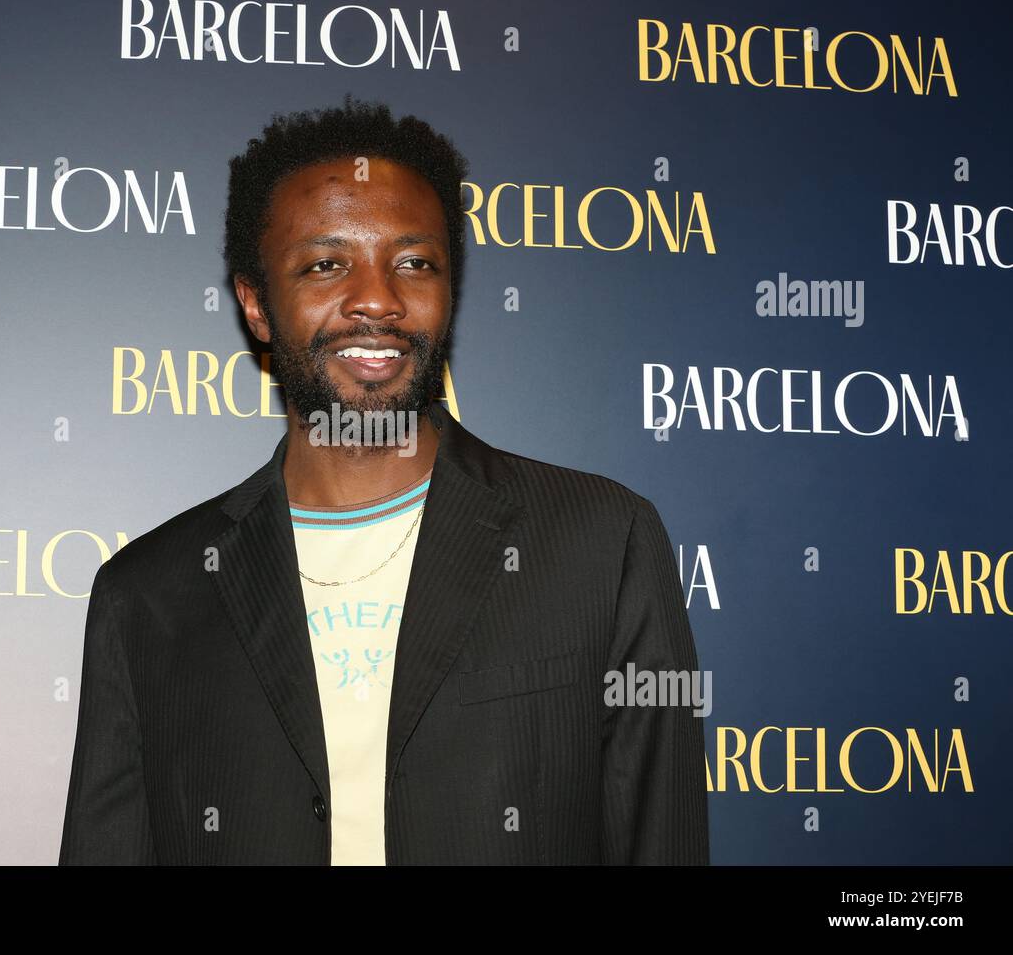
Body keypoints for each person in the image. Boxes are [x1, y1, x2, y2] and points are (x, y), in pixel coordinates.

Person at [59, 95, 709, 865]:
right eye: (327, 264)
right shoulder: (150, 593)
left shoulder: (601, 541)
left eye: (413, 262)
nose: (378, 298)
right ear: (257, 304)